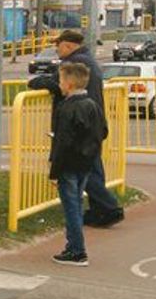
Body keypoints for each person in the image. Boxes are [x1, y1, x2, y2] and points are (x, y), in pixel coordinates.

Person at [28, 29, 124, 227]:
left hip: (78, 124)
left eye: (58, 45)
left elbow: (55, 84)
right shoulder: (88, 60)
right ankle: (100, 210)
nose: (56, 50)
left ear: (68, 45)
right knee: (93, 168)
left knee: (80, 168)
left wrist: (35, 82)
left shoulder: (73, 64)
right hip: (93, 121)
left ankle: (109, 207)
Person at [49, 62, 108, 267]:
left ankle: (76, 250)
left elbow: (63, 143)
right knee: (76, 204)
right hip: (87, 163)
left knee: (71, 208)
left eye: (61, 80)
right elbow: (104, 131)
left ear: (69, 84)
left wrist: (54, 172)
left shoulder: (67, 108)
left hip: (68, 165)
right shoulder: (92, 104)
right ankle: (74, 247)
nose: (59, 84)